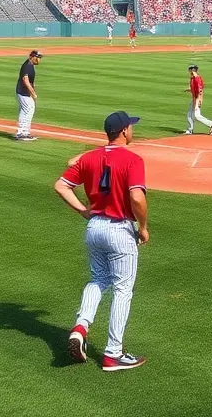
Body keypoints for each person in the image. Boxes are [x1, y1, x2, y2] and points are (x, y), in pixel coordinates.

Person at [55, 111, 149, 372]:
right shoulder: (133, 160)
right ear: (122, 131)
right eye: (130, 126)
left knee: (98, 279)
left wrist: (84, 211)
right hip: (119, 230)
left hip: (94, 227)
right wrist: (143, 227)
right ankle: (113, 354)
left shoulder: (89, 157)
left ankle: (81, 326)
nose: (132, 130)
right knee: (122, 289)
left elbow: (61, 185)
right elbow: (138, 198)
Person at [14, 50, 42, 141]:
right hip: (22, 92)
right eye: (37, 57)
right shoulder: (26, 66)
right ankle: (22, 132)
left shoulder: (30, 66)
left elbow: (31, 82)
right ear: (32, 57)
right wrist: (33, 93)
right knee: (27, 110)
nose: (39, 60)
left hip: (25, 93)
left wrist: (32, 93)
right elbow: (26, 81)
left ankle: (24, 132)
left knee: (28, 109)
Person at [185, 64, 212, 135]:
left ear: (192, 70)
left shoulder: (197, 78)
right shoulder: (193, 78)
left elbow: (200, 90)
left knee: (196, 116)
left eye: (190, 70)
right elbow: (195, 88)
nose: (189, 71)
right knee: (189, 114)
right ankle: (190, 130)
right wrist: (190, 90)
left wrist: (199, 100)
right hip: (194, 98)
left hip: (197, 99)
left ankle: (211, 124)